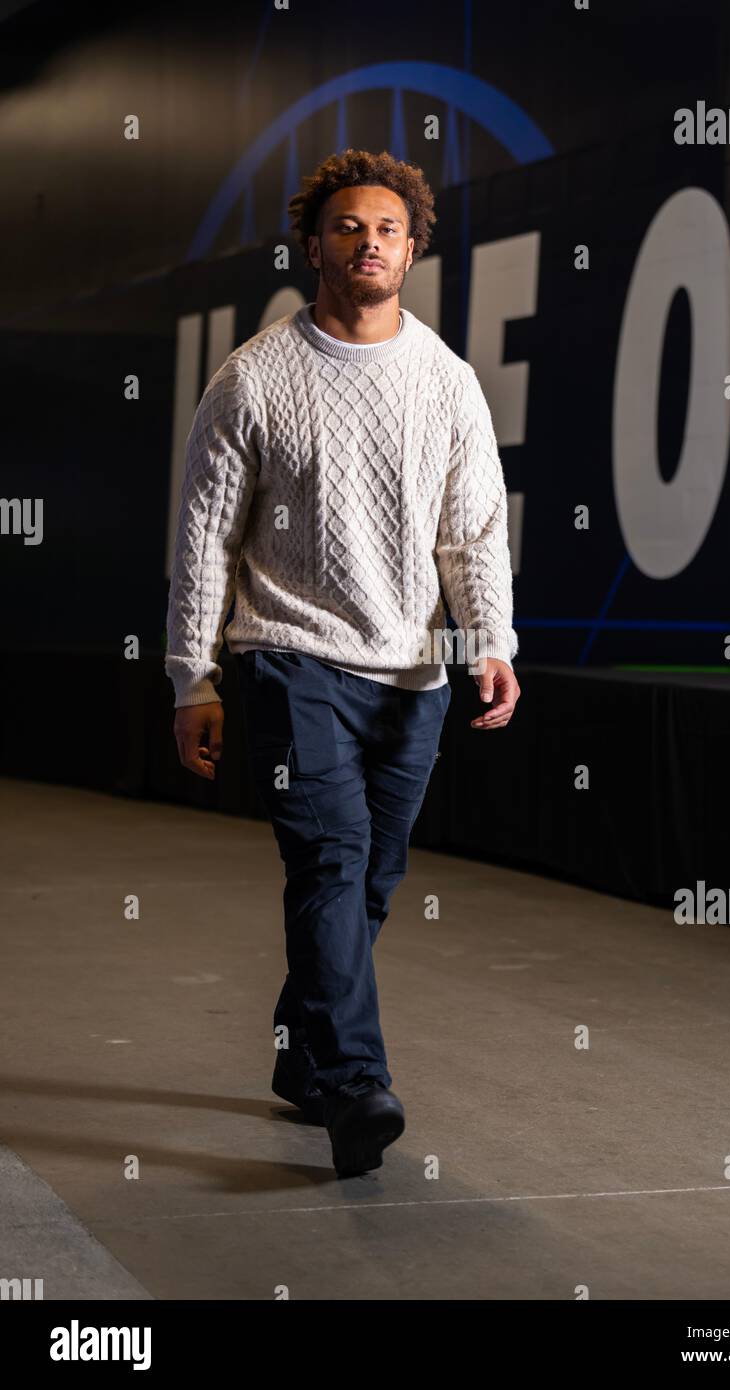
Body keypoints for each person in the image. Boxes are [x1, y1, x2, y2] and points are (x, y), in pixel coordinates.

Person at [165, 148, 520, 1177]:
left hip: (411, 671)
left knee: (371, 874)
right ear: (312, 245)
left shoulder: (446, 381)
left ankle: (301, 1048)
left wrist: (485, 639)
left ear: (412, 248)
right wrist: (194, 676)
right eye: (347, 227)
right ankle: (356, 1082)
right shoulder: (253, 377)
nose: (369, 242)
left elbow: (473, 529)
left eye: (389, 229)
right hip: (289, 657)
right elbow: (203, 537)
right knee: (327, 860)